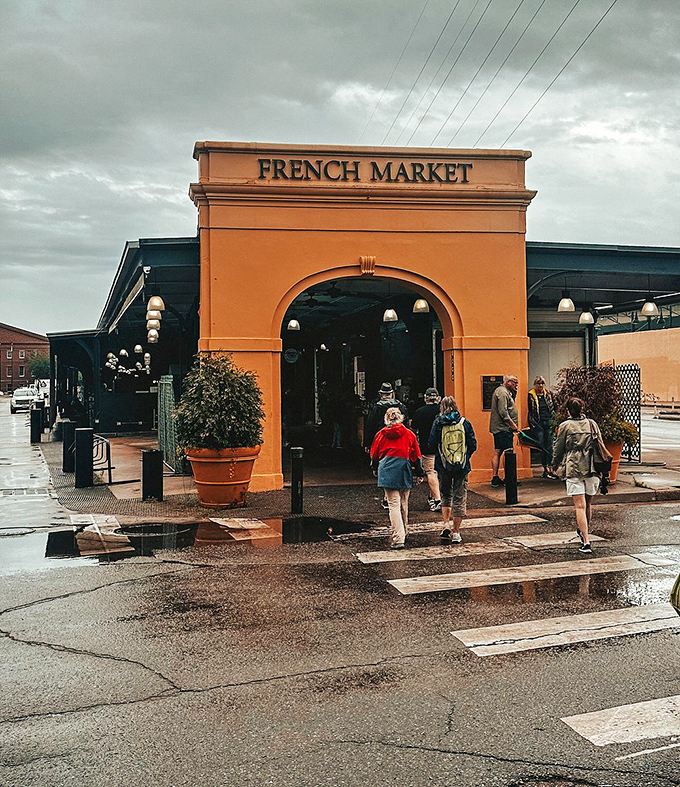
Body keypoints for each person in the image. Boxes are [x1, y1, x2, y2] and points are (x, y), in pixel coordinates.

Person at [551, 397, 602, 554]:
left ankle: (585, 540)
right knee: (588, 503)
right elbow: (600, 444)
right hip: (592, 467)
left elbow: (558, 448)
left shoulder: (565, 426)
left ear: (568, 411)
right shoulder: (592, 424)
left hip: (574, 467)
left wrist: (554, 465)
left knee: (579, 505)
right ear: (582, 409)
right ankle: (584, 531)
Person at [370, 407, 424, 549]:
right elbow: (416, 456)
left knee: (393, 504)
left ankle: (398, 536)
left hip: (386, 468)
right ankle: (404, 530)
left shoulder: (381, 434)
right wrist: (419, 473)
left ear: (386, 419)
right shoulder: (409, 434)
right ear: (401, 418)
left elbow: (374, 455)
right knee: (404, 501)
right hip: (403, 467)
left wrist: (375, 468)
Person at [428, 396, 477, 543]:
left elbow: (431, 443)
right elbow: (473, 444)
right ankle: (456, 532)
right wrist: (464, 457)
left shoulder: (438, 423)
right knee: (459, 497)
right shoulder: (464, 422)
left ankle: (445, 524)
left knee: (446, 494)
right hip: (461, 466)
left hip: (443, 466)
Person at [364, 382, 410, 509]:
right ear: (392, 393)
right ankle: (397, 496)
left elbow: (369, 426)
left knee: (384, 465)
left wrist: (367, 443)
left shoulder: (376, 407)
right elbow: (407, 425)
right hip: (401, 440)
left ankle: (387, 497)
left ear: (381, 394)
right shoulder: (401, 406)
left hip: (382, 439)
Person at [411, 387, 442, 511]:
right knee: (436, 473)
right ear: (437, 398)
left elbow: (413, 426)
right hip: (442, 447)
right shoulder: (442, 411)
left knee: (430, 472)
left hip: (427, 446)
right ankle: (431, 497)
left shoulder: (420, 411)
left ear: (425, 398)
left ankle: (437, 499)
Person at [489, 374, 519, 487]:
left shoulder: (505, 392)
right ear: (507, 382)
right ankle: (508, 478)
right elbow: (503, 412)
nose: (516, 385)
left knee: (498, 451)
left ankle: (496, 477)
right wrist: (513, 425)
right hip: (503, 428)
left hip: (500, 428)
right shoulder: (502, 393)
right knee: (508, 452)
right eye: (514, 382)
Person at [527, 376, 558, 479]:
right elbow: (530, 410)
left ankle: (550, 467)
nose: (540, 386)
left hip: (548, 420)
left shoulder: (548, 394)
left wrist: (555, 420)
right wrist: (532, 424)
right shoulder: (531, 395)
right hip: (538, 422)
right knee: (541, 445)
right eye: (538, 383)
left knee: (549, 444)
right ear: (534, 385)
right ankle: (544, 467)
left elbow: (555, 406)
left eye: (542, 384)